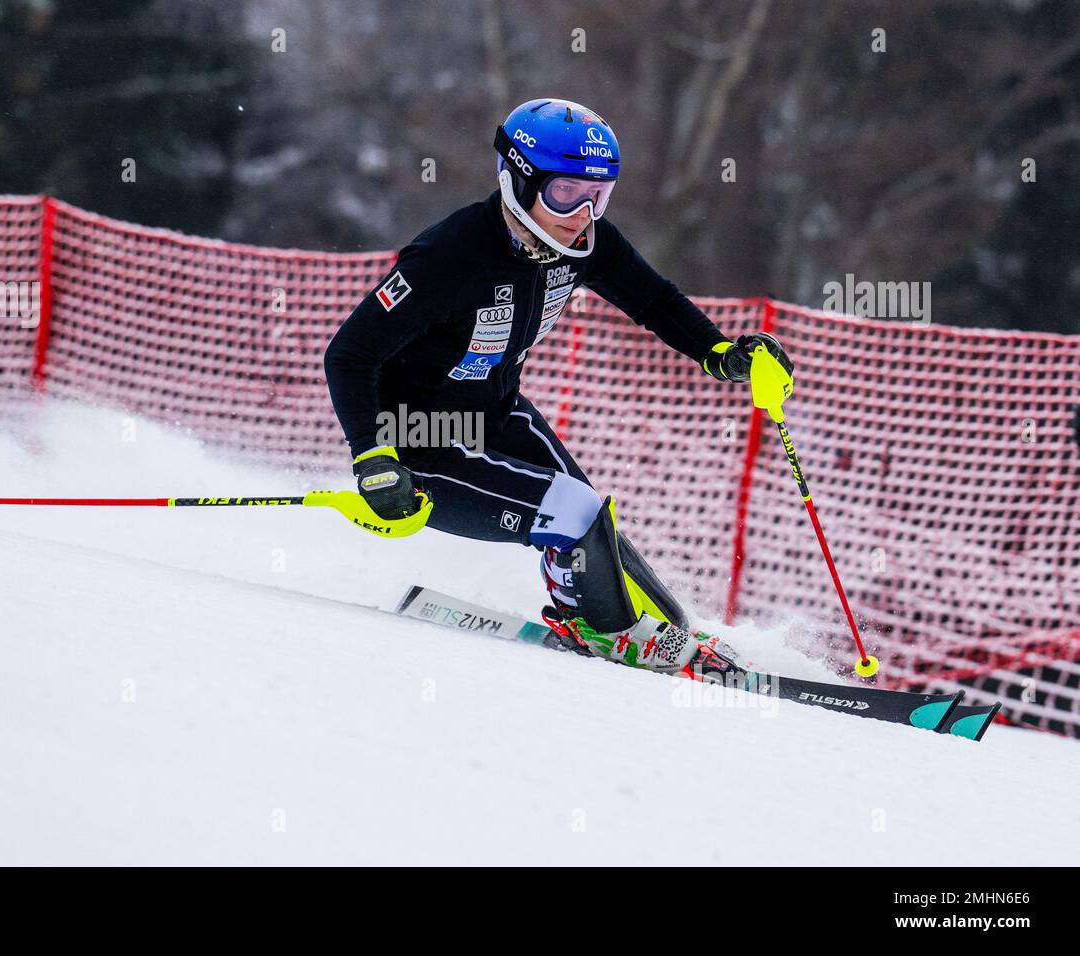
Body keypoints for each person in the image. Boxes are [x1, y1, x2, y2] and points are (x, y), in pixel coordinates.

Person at [324, 98, 792, 673]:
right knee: (572, 513)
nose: (583, 214)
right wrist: (371, 454)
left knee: (593, 524)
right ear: (519, 181)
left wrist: (719, 352)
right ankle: (606, 634)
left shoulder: (586, 243)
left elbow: (654, 300)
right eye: (567, 193)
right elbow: (350, 354)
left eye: (600, 195)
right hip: (418, 438)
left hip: (494, 414)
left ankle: (664, 631)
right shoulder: (448, 257)